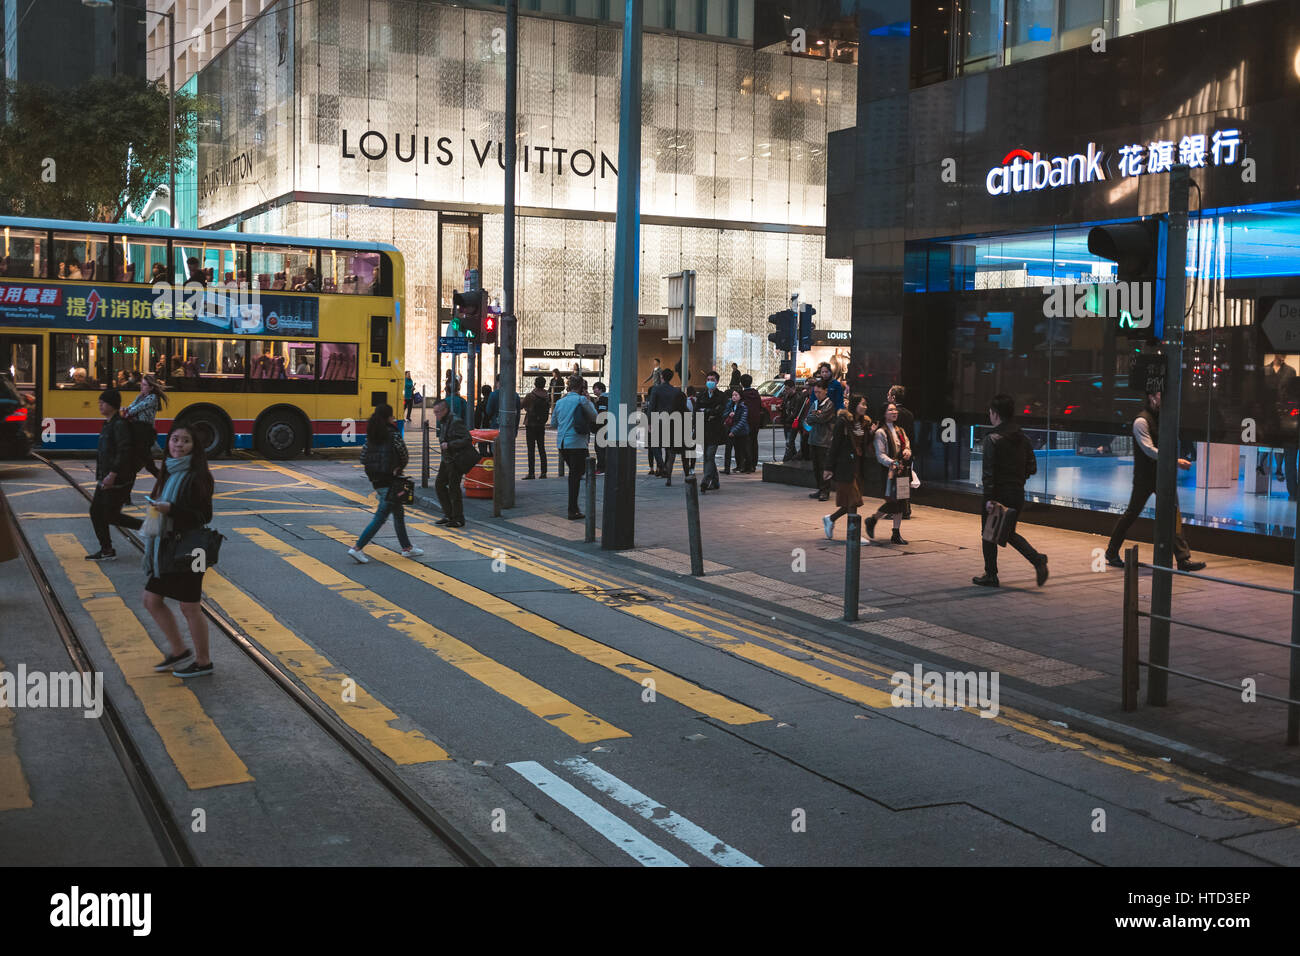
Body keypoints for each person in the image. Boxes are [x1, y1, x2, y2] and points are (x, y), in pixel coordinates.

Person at [140, 423, 216, 678]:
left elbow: (204, 516)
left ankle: (204, 662)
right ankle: (179, 650)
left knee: (189, 606)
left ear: (194, 447)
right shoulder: (169, 471)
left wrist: (169, 509)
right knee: (152, 600)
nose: (178, 445)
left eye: (185, 441)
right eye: (174, 439)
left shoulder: (198, 476)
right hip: (167, 548)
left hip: (190, 550)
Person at [1104, 390, 1206, 572]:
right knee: (1132, 513)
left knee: (1173, 514)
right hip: (1145, 477)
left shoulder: (1162, 418)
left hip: (1162, 475)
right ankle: (1111, 552)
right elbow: (1149, 449)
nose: (1164, 399)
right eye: (1160, 396)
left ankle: (1183, 559)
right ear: (1152, 398)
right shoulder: (1141, 421)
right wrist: (1175, 461)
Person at [972, 394, 1049, 587]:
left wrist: (989, 498)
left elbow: (988, 472)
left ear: (995, 414)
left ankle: (991, 574)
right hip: (1017, 493)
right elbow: (1032, 467)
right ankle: (1037, 560)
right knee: (1007, 532)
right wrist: (1017, 479)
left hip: (998, 494)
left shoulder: (992, 439)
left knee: (989, 533)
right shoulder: (1022, 438)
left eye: (990, 412)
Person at [348, 404, 423, 562]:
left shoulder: (372, 434)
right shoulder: (393, 434)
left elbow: (363, 458)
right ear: (389, 417)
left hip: (376, 480)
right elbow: (404, 454)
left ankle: (407, 547)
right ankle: (357, 548)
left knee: (398, 513)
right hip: (390, 480)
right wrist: (398, 467)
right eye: (392, 416)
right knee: (381, 517)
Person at [84, 390, 144, 560]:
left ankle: (148, 527)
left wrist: (112, 474)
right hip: (106, 477)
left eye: (103, 402)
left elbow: (124, 451)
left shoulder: (119, 425)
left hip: (116, 479)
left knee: (109, 515)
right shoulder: (108, 424)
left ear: (112, 405)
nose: (100, 405)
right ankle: (106, 549)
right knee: (98, 512)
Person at [823, 396, 872, 539]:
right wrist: (828, 467)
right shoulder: (843, 422)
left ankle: (831, 519)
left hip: (858, 466)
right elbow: (834, 446)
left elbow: (864, 444)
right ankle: (853, 535)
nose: (865, 407)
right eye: (862, 404)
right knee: (853, 500)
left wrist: (872, 433)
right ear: (855, 405)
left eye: (865, 404)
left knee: (852, 500)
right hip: (845, 466)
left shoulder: (863, 423)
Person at [865, 401, 911, 545]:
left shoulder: (901, 430)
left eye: (895, 409)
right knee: (893, 502)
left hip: (902, 471)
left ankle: (895, 533)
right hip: (889, 472)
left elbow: (908, 445)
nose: (894, 412)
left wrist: (907, 451)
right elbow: (880, 455)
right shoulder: (880, 432)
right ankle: (872, 519)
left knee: (901, 503)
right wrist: (892, 462)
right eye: (890, 410)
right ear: (884, 414)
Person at [554, 375, 596, 519]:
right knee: (576, 475)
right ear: (581, 387)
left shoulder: (560, 402)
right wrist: (589, 401)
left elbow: (553, 423)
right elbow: (595, 416)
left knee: (575, 474)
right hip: (577, 443)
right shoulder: (581, 400)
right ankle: (573, 509)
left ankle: (574, 507)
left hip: (562, 444)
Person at [433, 398, 474, 528]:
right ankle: (449, 514)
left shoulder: (455, 421)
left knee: (454, 489)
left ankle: (458, 518)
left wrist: (449, 445)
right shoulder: (445, 421)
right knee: (439, 485)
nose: (436, 415)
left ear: (445, 410)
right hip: (447, 460)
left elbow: (467, 439)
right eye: (434, 412)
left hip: (455, 460)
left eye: (438, 412)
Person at [122, 373, 167, 479]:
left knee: (139, 465)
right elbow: (130, 408)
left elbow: (133, 410)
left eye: (145, 385)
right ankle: (165, 482)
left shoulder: (152, 398)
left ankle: (167, 482)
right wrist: (127, 411)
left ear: (151, 387)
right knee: (147, 465)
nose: (141, 387)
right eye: (141, 384)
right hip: (139, 433)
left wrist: (127, 412)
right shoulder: (141, 396)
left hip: (145, 434)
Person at [645, 368, 684, 484]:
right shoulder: (675, 391)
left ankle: (661, 465)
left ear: (661, 376)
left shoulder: (656, 389)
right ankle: (666, 465)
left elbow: (652, 406)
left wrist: (649, 421)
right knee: (668, 446)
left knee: (654, 445)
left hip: (658, 419)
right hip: (672, 420)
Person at [888, 385, 916, 518]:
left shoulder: (891, 414)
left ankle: (893, 509)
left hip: (894, 452)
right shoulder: (909, 414)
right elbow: (912, 435)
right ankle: (905, 509)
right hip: (907, 452)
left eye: (889, 395)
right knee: (904, 481)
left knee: (892, 481)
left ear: (893, 397)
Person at [806, 380, 835, 502]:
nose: (817, 394)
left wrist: (816, 415)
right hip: (813, 439)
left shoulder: (829, 404)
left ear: (825, 391)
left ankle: (825, 491)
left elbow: (822, 418)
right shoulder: (815, 404)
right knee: (816, 467)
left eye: (819, 392)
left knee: (824, 467)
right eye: (815, 392)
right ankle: (819, 488)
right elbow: (808, 418)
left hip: (824, 440)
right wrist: (815, 415)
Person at [698, 371, 727, 493]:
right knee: (707, 456)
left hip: (715, 430)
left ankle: (706, 480)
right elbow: (697, 410)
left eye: (712, 380)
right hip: (704, 429)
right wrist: (709, 412)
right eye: (708, 379)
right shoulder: (702, 395)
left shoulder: (721, 396)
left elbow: (719, 411)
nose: (710, 381)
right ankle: (715, 481)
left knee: (710, 455)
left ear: (717, 382)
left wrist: (706, 411)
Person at [521, 375, 551, 479]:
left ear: (535, 384)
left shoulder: (530, 395)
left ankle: (531, 473)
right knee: (541, 448)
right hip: (541, 424)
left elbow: (521, 405)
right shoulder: (547, 396)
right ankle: (543, 472)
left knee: (531, 449)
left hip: (531, 424)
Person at [740, 374, 763, 473]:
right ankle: (754, 464)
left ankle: (747, 465)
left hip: (745, 421)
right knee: (754, 442)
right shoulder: (756, 394)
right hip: (756, 422)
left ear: (741, 383)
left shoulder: (742, 395)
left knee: (746, 443)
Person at [724, 388, 750, 473]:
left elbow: (742, 420)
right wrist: (729, 414)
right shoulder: (730, 404)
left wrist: (733, 431)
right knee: (730, 449)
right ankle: (728, 468)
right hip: (731, 430)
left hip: (741, 431)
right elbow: (724, 414)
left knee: (743, 449)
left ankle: (747, 467)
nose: (734, 397)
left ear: (740, 396)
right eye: (733, 395)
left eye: (736, 395)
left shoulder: (743, 406)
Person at [592, 381, 609, 475]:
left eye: (595, 388)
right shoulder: (606, 398)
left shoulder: (603, 399)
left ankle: (601, 468)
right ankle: (603, 467)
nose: (594, 390)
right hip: (606, 427)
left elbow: (601, 414)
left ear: (600, 389)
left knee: (599, 449)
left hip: (602, 428)